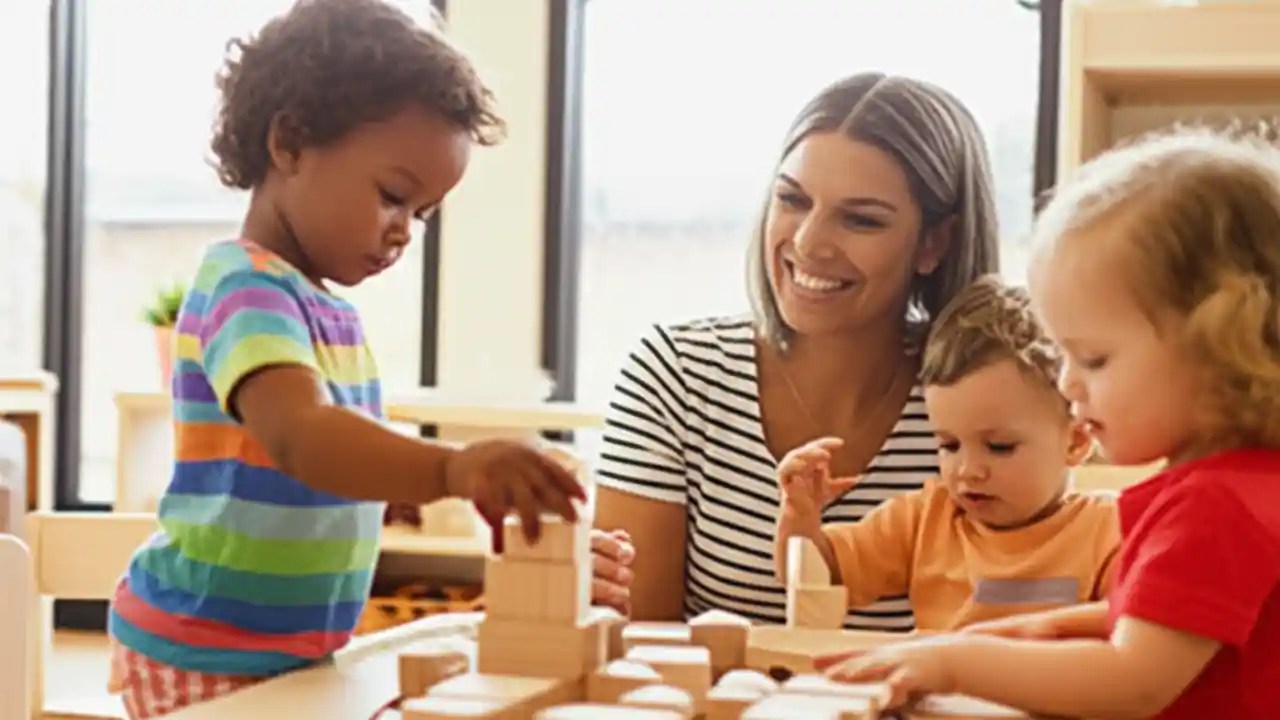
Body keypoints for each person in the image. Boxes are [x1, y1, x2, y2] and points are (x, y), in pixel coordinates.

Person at [105, 2, 585, 717]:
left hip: (288, 650)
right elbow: (303, 436)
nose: (404, 233)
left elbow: (325, 460)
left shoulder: (328, 312)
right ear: (290, 143)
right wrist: (450, 468)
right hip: (205, 648)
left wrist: (392, 486)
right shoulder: (245, 287)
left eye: (421, 214)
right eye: (393, 197)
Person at [817, 128, 1280, 718]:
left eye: (1093, 359)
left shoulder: (1213, 508)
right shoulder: (1251, 484)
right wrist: (1035, 631)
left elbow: (1131, 682)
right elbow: (1171, 628)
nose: (1067, 384)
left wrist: (957, 663)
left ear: (1220, 343)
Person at [590, 71, 1001, 629]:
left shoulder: (990, 400)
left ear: (935, 242)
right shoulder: (676, 376)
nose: (808, 242)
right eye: (792, 199)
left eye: (860, 220)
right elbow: (642, 645)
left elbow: (1011, 624)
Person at [774, 275, 1117, 631]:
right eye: (949, 445)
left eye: (999, 447)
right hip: (928, 670)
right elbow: (820, 576)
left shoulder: (1109, 531)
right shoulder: (924, 520)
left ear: (1076, 441)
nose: (967, 470)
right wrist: (799, 518)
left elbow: (1135, 636)